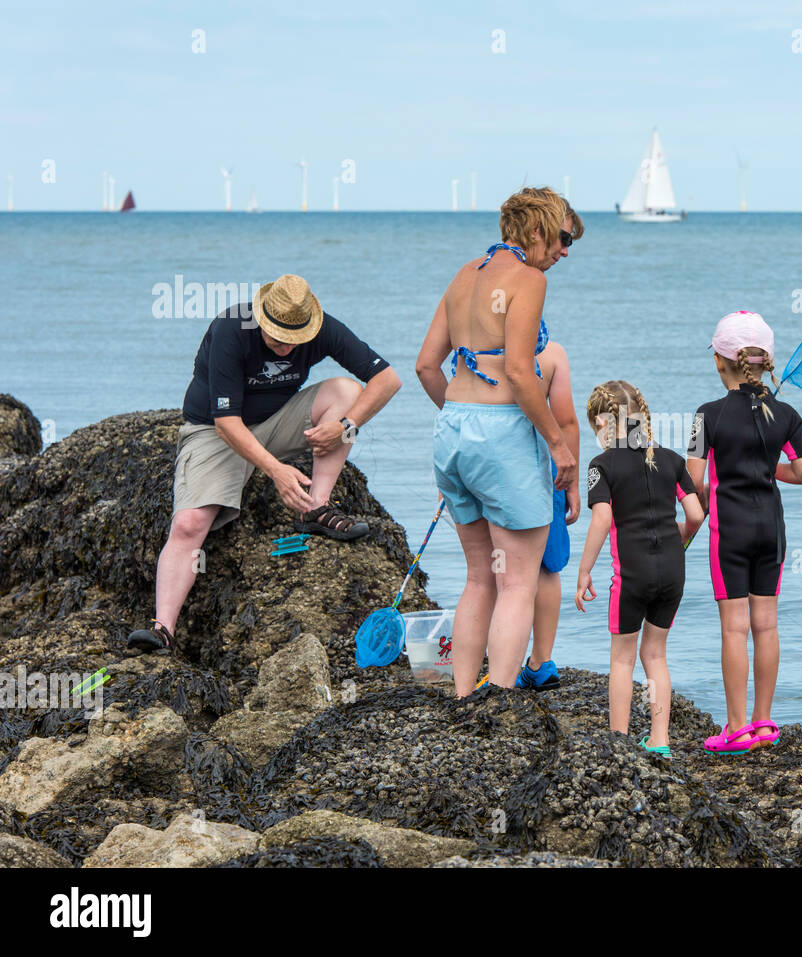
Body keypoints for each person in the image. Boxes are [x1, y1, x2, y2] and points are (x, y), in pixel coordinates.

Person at [127, 274, 401, 652]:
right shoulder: (231, 329)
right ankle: (163, 630)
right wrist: (277, 471)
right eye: (277, 339)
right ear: (261, 319)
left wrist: (345, 426)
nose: (287, 347)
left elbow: (387, 380)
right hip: (216, 430)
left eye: (295, 340)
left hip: (278, 420)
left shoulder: (320, 328)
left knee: (348, 393)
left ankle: (314, 507)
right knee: (190, 523)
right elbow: (225, 423)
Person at [415, 187, 580, 695]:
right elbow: (518, 370)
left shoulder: (464, 274)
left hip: (454, 433)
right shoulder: (527, 279)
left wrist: (463, 423)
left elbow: (425, 366)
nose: (564, 251)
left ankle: (464, 696)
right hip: (502, 432)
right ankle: (501, 700)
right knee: (518, 580)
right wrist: (558, 445)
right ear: (536, 230)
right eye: (562, 237)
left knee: (479, 577)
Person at [685, 312, 802, 754]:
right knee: (767, 625)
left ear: (721, 362)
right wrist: (765, 466)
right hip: (772, 531)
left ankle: (736, 727)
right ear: (767, 362)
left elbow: (694, 479)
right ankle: (763, 723)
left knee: (733, 629)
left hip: (730, 533)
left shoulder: (707, 416)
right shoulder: (786, 413)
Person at [576, 381, 705, 758]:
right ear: (642, 417)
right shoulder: (671, 460)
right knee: (656, 655)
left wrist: (584, 571)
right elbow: (696, 514)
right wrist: (677, 536)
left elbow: (602, 518)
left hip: (631, 575)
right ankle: (660, 740)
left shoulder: (601, 466)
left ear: (601, 423)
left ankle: (619, 742)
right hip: (672, 572)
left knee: (621, 658)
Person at [516, 338, 581, 690]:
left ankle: (503, 665)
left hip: (490, 465)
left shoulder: (476, 348)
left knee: (496, 568)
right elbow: (567, 421)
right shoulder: (552, 353)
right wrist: (572, 481)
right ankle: (540, 661)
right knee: (547, 566)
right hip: (543, 467)